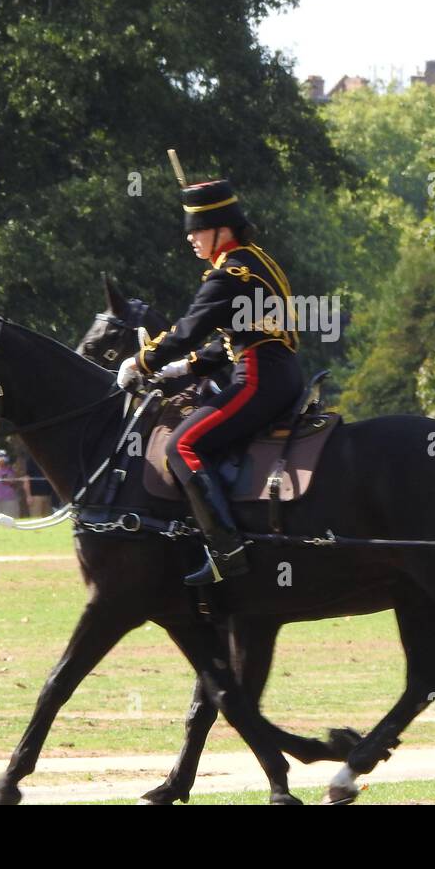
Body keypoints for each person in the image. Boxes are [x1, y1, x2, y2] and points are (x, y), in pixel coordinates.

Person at [116, 179, 303, 585]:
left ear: (222, 229)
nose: (189, 237)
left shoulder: (227, 275)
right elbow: (240, 334)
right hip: (279, 371)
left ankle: (226, 548)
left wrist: (142, 361)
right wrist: (187, 369)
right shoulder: (256, 261)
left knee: (181, 445)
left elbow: (187, 330)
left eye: (197, 228)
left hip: (258, 378)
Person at [0, 451, 21, 519]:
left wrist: (9, 481)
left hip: (9, 497)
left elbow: (14, 480)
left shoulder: (10, 469)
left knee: (10, 516)